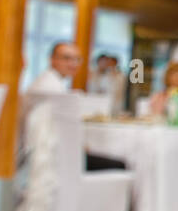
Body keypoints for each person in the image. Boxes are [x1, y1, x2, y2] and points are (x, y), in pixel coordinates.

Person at [26, 41, 124, 170]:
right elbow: (62, 129)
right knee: (120, 164)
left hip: (47, 150)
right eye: (66, 58)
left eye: (77, 59)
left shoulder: (50, 81)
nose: (73, 64)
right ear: (52, 59)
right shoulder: (51, 87)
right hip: (50, 155)